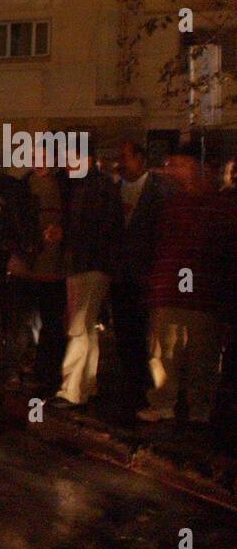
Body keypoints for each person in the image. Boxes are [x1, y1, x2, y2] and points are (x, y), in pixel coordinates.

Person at [138, 146, 237, 424]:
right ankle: (164, 402)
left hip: (204, 293)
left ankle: (199, 408)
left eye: (177, 166)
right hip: (169, 289)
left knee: (201, 355)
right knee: (164, 351)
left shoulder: (220, 206)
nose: (171, 172)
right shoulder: (168, 204)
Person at [0, 151, 67, 393]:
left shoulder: (66, 188)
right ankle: (11, 371)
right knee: (18, 325)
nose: (40, 162)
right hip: (24, 269)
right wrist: (20, 247)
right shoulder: (17, 190)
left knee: (52, 327)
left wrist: (64, 235)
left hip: (56, 270)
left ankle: (44, 374)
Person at [52, 147, 123, 408]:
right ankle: (87, 385)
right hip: (90, 264)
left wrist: (69, 240)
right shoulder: (91, 186)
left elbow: (95, 228)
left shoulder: (92, 188)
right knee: (87, 328)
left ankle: (71, 389)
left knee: (78, 327)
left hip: (87, 264)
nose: (68, 165)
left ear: (88, 160)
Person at [110, 139, 170, 412]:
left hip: (146, 273)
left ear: (141, 160)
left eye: (126, 157)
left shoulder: (159, 191)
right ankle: (131, 383)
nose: (121, 162)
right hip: (119, 274)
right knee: (124, 331)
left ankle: (148, 386)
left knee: (148, 334)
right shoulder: (112, 190)